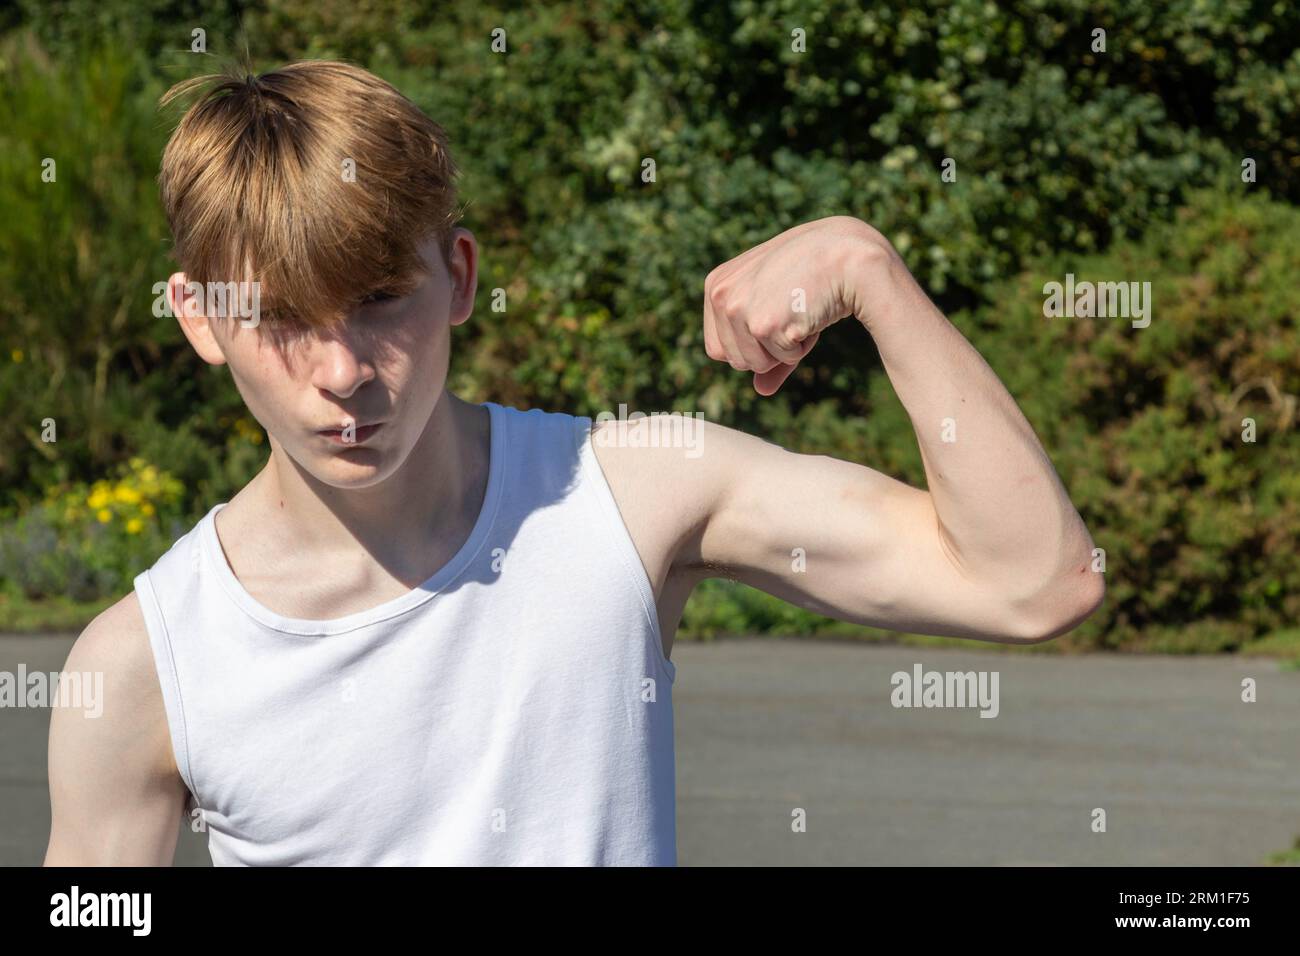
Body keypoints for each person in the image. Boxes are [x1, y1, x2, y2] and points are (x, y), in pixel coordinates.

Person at [44, 60, 1103, 866]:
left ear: (458, 276)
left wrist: (872, 275)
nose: (341, 369)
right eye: (278, 317)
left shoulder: (630, 493)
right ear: (198, 316)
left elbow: (1033, 578)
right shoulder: (143, 663)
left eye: (378, 301)